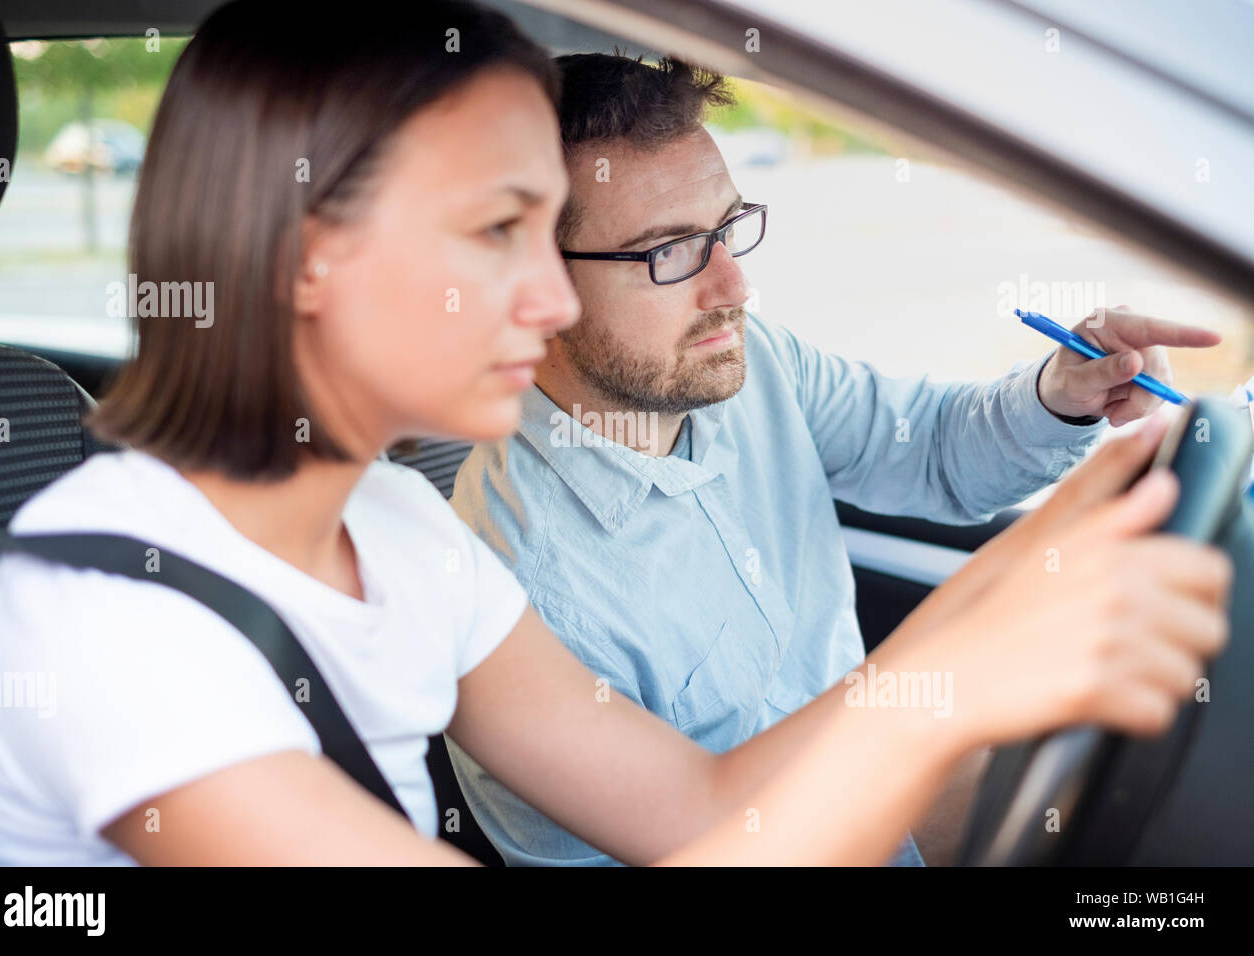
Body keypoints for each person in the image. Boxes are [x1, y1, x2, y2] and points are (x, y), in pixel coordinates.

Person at [0, 1, 1230, 866]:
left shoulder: (396, 527)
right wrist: (972, 657)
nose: (553, 303)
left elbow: (696, 809)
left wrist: (1032, 571)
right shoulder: (111, 633)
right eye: (494, 232)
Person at [446, 53, 1226, 865]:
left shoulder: (746, 367)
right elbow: (723, 836)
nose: (734, 287)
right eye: (670, 252)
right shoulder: (518, 582)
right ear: (534, 286)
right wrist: (1016, 593)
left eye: (726, 229)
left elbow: (931, 448)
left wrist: (1064, 391)